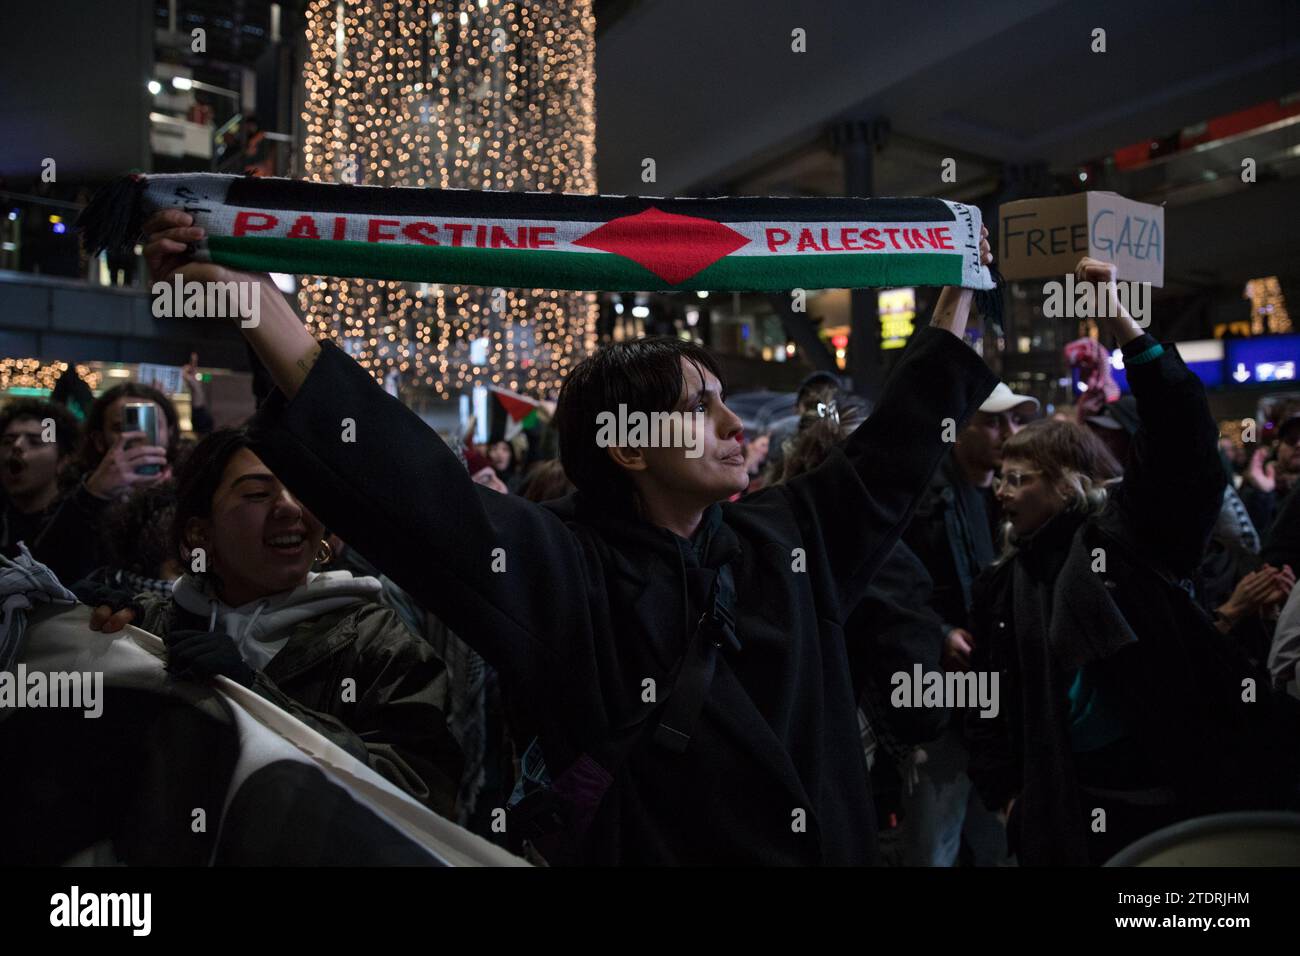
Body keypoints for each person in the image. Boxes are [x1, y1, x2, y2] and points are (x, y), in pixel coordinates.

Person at [141, 207, 997, 865]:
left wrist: (963, 286)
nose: (736, 425)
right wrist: (250, 300)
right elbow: (409, 483)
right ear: (626, 444)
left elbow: (899, 448)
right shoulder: (562, 569)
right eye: (698, 409)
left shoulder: (789, 534)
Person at [965, 257, 1289, 866]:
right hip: (1068, 816)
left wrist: (1122, 323)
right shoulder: (1001, 586)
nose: (1001, 492)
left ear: (1067, 484)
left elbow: (1184, 443)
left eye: (1018, 478)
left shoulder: (1130, 542)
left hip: (1178, 801)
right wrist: (1008, 798)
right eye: (999, 478)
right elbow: (987, 703)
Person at [88, 427, 464, 817]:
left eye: (302, 490)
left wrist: (258, 699)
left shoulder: (377, 642)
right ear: (201, 532)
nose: (290, 508)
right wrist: (82, 622)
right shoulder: (149, 625)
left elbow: (419, 796)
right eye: (256, 494)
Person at [896, 379, 1038, 866]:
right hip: (945, 694)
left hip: (999, 696)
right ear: (957, 430)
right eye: (994, 420)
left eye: (1017, 420)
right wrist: (937, 634)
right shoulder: (925, 497)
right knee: (933, 839)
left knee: (998, 835)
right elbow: (889, 586)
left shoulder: (1014, 496)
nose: (1009, 431)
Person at [1, 398, 96, 582]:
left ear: (63, 461)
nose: (17, 446)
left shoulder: (79, 524)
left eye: (35, 442)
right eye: (7, 441)